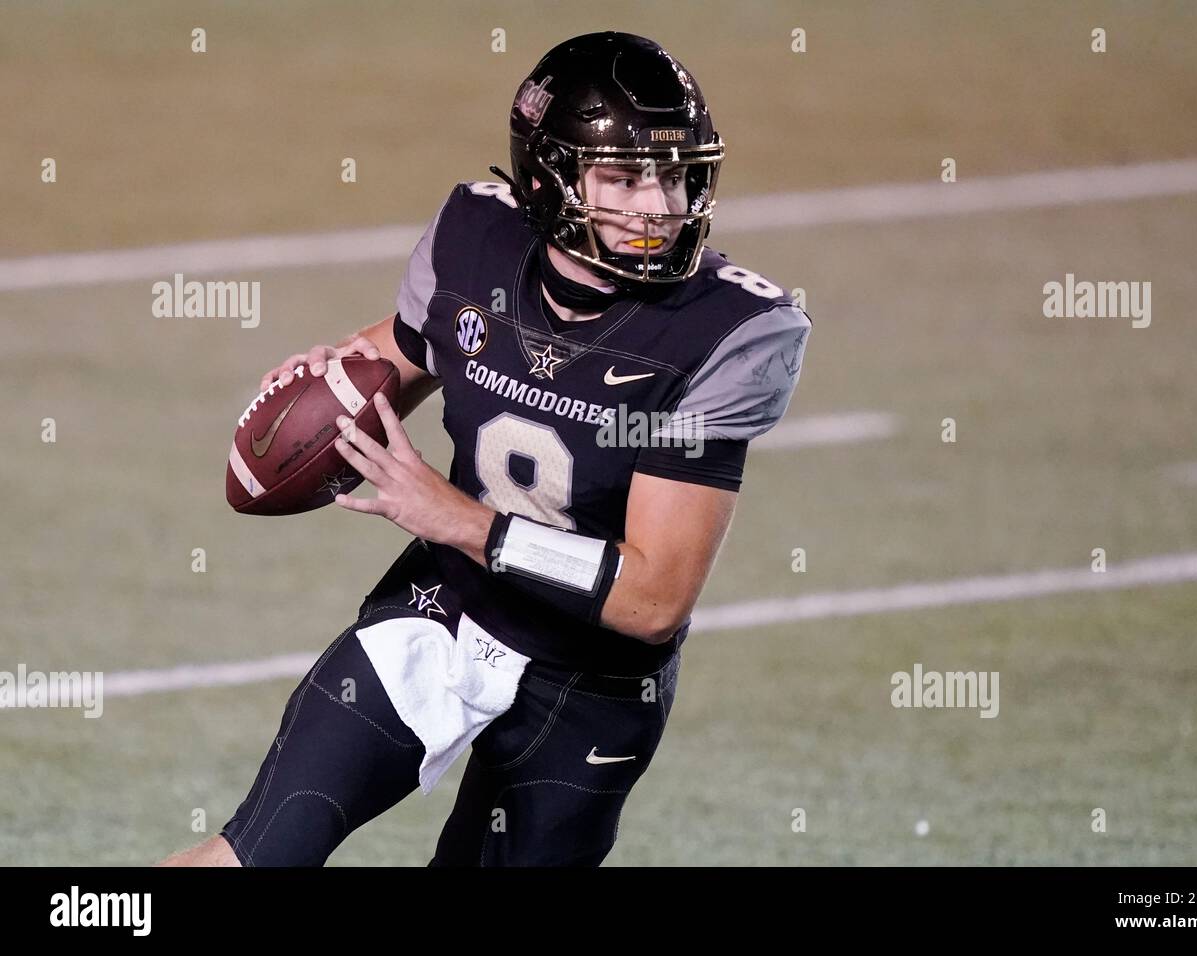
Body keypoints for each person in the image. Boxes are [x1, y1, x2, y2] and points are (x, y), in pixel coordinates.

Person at [160, 31, 810, 867]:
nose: (659, 205)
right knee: (257, 854)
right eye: (625, 177)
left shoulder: (725, 331)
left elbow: (655, 599)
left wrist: (463, 521)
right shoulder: (475, 236)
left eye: (676, 175)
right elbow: (397, 360)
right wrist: (331, 382)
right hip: (443, 611)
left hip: (591, 686)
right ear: (546, 176)